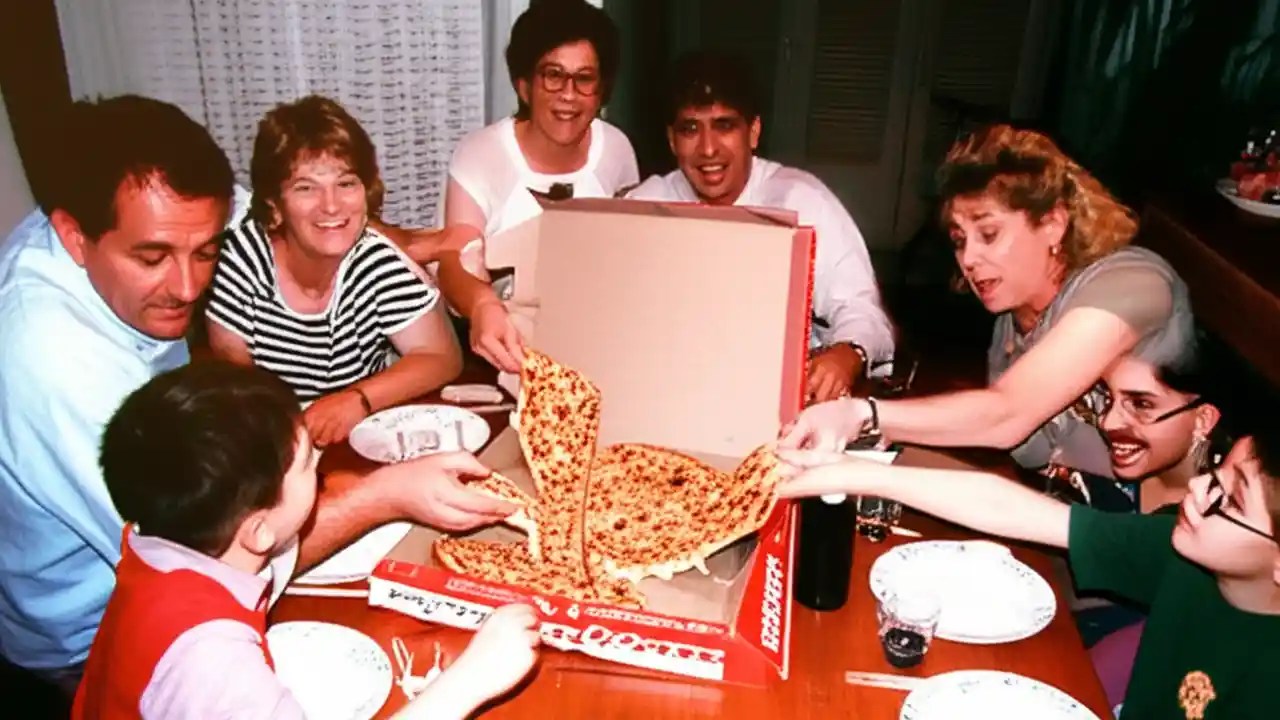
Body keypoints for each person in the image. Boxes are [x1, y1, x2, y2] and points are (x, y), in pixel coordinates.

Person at [72, 362, 539, 719]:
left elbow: (262, 557)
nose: (319, 462)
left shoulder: (160, 542)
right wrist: (474, 678)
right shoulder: (212, 663)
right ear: (257, 528)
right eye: (305, 465)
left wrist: (395, 487)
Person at [777, 421, 1280, 719]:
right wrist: (845, 470)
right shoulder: (1181, 552)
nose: (1196, 491)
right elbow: (1013, 510)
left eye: (1229, 500)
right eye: (1214, 468)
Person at [781, 124, 1193, 477]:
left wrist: (862, 415)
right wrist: (865, 450)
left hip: (1177, 536)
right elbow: (1006, 460)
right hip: (1079, 527)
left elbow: (1006, 415)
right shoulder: (1010, 327)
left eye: (989, 234)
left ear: (1052, 224)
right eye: (960, 241)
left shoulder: (1132, 281)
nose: (969, 260)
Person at [0, 95, 241, 688]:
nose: (188, 287)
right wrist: (377, 499)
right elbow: (204, 555)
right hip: (89, 644)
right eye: (153, 257)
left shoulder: (132, 209)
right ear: (73, 236)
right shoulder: (57, 362)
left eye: (207, 250)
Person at [627, 51, 895, 404]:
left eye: (724, 126)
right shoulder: (643, 207)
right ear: (672, 139)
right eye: (691, 128)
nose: (708, 148)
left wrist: (846, 354)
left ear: (753, 132)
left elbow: (864, 311)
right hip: (674, 395)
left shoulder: (802, 200)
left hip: (782, 400)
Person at [205, 95, 463, 447]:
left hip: (358, 436)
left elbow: (441, 357)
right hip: (267, 433)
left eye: (346, 183)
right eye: (306, 188)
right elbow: (232, 370)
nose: (331, 205)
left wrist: (358, 399)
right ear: (274, 205)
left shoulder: (374, 259)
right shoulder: (242, 256)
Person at [433, 0, 638, 382]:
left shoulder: (617, 150)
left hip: (590, 347)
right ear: (524, 85)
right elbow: (452, 257)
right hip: (492, 350)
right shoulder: (480, 155)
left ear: (601, 90)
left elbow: (625, 255)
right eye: (553, 75)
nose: (568, 94)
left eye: (585, 78)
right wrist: (481, 304)